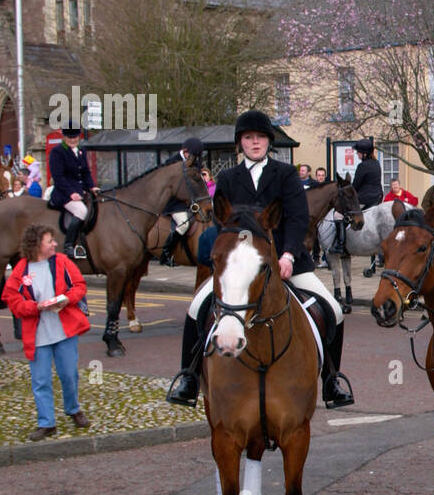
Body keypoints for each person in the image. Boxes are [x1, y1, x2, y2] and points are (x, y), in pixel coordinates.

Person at [167, 110, 353, 409]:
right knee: (196, 307)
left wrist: (289, 255)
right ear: (241, 142)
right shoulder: (228, 177)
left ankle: (332, 380)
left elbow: (297, 218)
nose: (255, 142)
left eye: (261, 137)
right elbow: (222, 222)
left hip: (284, 260)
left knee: (332, 309)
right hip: (239, 265)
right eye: (249, 138)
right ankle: (188, 377)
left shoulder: (286, 174)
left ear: (269, 141)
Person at [2, 223, 92, 440]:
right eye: (49, 240)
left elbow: (79, 286)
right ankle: (46, 422)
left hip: (64, 330)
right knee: (40, 380)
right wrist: (36, 307)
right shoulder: (21, 270)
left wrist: (66, 299)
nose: (54, 244)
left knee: (69, 374)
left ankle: (73, 409)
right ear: (36, 244)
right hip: (38, 334)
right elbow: (12, 300)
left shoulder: (61, 261)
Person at [46, 125, 99, 259]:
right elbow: (58, 177)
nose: (72, 140)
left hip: (80, 191)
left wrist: (92, 186)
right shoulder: (57, 152)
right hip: (64, 193)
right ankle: (68, 245)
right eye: (69, 137)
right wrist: (71, 193)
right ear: (64, 137)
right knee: (81, 211)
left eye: (75, 137)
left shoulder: (81, 150)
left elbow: (86, 172)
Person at [159, 136, 204, 266]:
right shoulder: (171, 163)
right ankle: (165, 253)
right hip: (174, 203)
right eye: (194, 155)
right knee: (184, 223)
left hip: (191, 201)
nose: (196, 159)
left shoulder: (195, 162)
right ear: (185, 151)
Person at [352, 137, 383, 276]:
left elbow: (355, 185)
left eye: (358, 152)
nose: (357, 154)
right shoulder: (377, 164)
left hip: (364, 198)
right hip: (377, 197)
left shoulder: (362, 166)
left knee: (339, 215)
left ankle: (339, 244)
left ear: (364, 153)